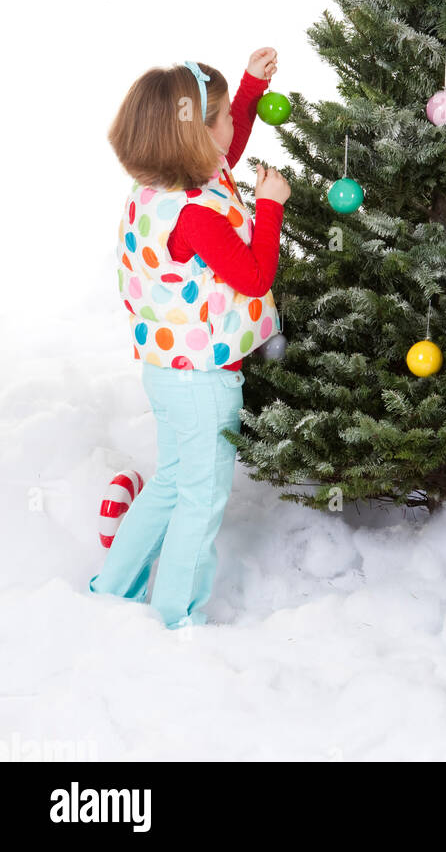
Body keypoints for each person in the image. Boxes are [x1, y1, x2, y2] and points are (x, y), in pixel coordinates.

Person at [89, 48, 290, 630]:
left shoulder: (160, 187)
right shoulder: (198, 214)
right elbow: (254, 276)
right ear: (197, 138)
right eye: (224, 117)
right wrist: (270, 207)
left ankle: (111, 589)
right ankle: (177, 618)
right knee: (201, 499)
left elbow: (227, 143)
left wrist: (249, 89)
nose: (233, 132)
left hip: (165, 369)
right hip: (203, 381)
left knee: (174, 481)